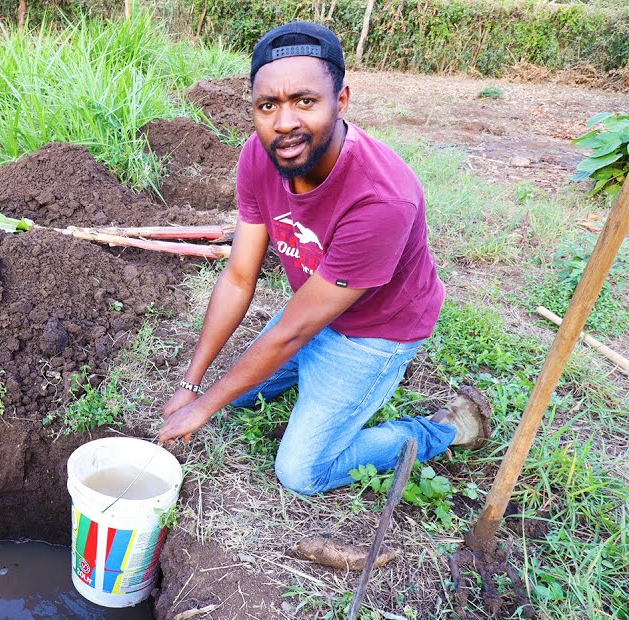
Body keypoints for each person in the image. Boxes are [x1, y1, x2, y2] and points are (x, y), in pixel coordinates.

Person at [155, 21, 492, 495]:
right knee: (236, 398)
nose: (284, 122)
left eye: (305, 101)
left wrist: (204, 406)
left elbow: (292, 330)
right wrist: (193, 387)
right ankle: (312, 383)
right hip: (316, 308)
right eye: (267, 105)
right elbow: (238, 276)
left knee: (300, 473)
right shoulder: (259, 155)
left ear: (342, 100)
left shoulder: (382, 198)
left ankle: (447, 428)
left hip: (374, 332)